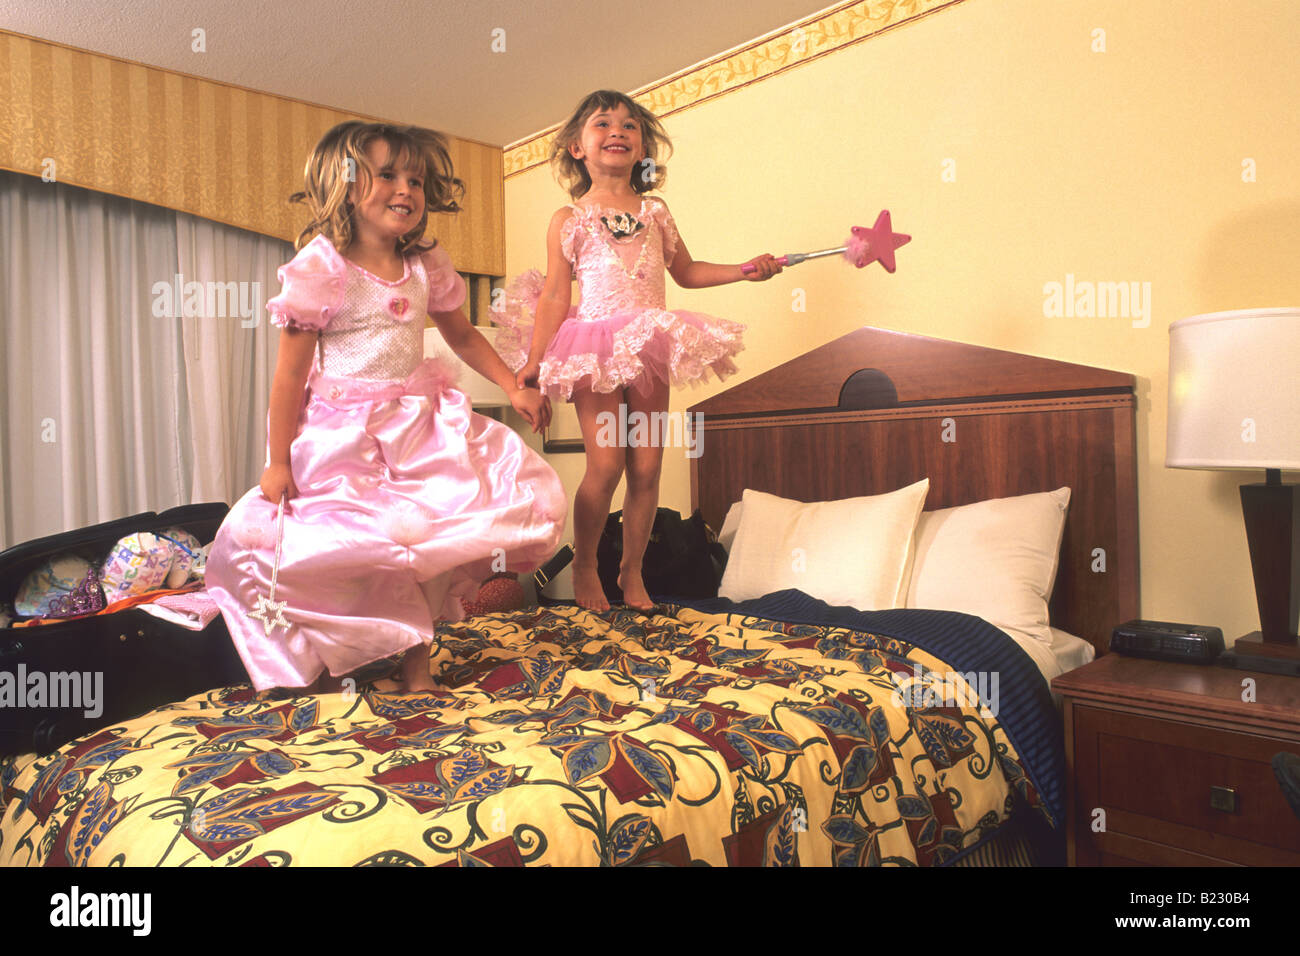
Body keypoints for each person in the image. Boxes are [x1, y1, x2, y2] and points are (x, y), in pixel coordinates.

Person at [206, 121, 566, 694]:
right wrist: (278, 461)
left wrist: (513, 384)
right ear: (347, 185)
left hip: (418, 427)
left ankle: (417, 669)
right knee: (344, 547)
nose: (407, 189)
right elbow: (288, 378)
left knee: (424, 541)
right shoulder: (323, 266)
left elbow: (464, 336)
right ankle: (326, 662)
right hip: (340, 433)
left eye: (417, 180)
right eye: (389, 175)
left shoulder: (426, 261)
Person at [493, 90, 781, 612]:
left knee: (647, 468)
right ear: (577, 148)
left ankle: (631, 572)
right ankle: (584, 565)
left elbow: (686, 273)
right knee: (606, 467)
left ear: (643, 145)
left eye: (629, 125)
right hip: (597, 349)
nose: (617, 131)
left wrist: (744, 269)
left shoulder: (656, 211)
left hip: (648, 345)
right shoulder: (569, 218)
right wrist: (533, 363)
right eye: (602, 123)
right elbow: (557, 295)